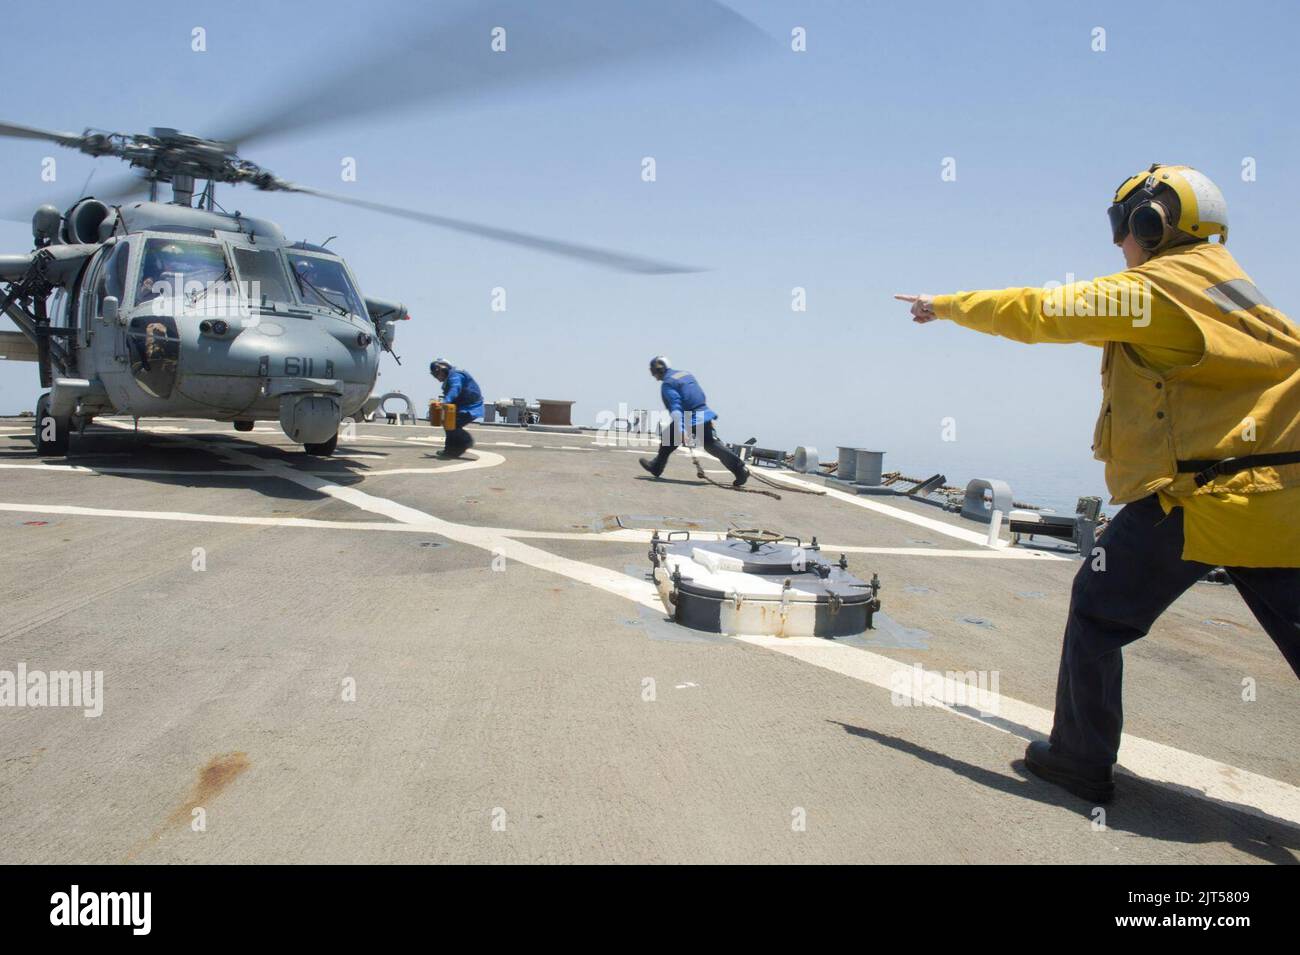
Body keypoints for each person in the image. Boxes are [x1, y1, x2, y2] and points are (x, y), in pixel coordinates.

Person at [897, 163, 1300, 803]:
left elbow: (1041, 312)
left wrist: (945, 306)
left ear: (1152, 222)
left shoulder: (1156, 291)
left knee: (1096, 606)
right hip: (1279, 508)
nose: (1118, 243)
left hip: (1195, 498)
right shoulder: (1241, 296)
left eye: (1121, 224)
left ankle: (1080, 761)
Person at [639, 356, 750, 486]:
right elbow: (699, 394)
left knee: (706, 443)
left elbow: (675, 408)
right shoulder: (685, 374)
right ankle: (740, 469)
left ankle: (656, 467)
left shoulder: (668, 384)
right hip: (703, 412)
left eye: (654, 371)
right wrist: (705, 414)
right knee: (708, 444)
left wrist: (681, 430)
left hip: (689, 417)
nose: (654, 375)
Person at [429, 358, 484, 458]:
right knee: (448, 424)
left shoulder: (455, 377)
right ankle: (449, 450)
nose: (436, 376)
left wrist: (445, 401)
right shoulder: (450, 378)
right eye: (434, 374)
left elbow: (455, 389)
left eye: (437, 373)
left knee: (451, 425)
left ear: (444, 369)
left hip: (470, 407)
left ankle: (466, 441)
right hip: (462, 406)